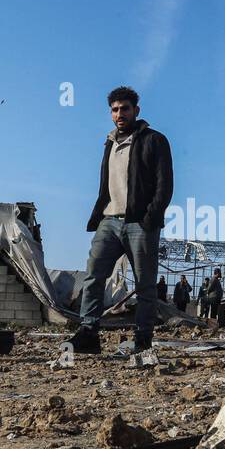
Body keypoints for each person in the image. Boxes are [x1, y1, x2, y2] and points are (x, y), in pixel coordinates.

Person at [69, 86, 173, 354]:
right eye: (114, 110)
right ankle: (89, 333)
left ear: (136, 111)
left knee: (144, 283)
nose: (119, 113)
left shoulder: (154, 140)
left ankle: (142, 339)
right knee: (94, 275)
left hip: (140, 223)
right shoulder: (110, 143)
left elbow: (165, 185)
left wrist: (150, 218)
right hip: (109, 221)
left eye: (124, 108)